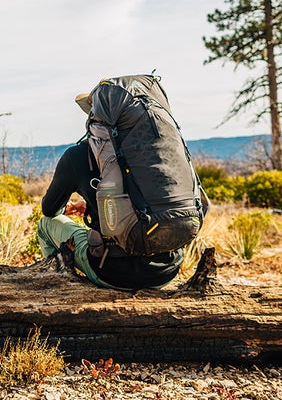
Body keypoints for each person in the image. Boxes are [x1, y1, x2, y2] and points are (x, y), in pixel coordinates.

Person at [34, 103, 185, 291]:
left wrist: (92, 200)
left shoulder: (78, 155)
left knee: (45, 224)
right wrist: (91, 205)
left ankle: (55, 287)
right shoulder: (161, 151)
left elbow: (50, 210)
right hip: (166, 271)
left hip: (111, 273)